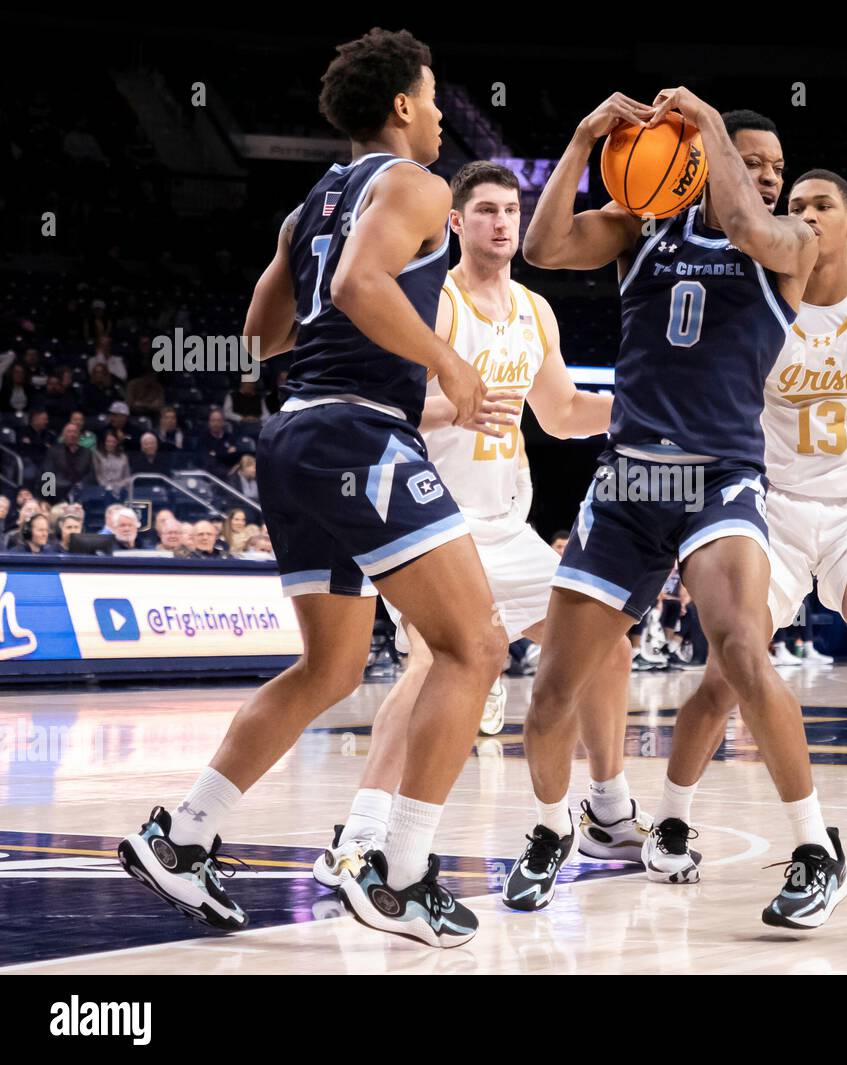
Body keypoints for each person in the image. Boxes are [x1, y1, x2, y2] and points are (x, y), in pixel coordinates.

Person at [117, 28, 504, 949]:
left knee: (332, 666)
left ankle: (184, 834)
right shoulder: (418, 187)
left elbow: (261, 330)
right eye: (435, 91)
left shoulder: (310, 205)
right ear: (403, 105)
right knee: (474, 646)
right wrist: (446, 361)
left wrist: (347, 317)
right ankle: (400, 873)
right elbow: (367, 282)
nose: (444, 109)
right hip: (355, 431)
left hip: (290, 435)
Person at [516, 92, 847, 928]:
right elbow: (543, 244)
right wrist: (587, 135)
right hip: (628, 480)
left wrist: (705, 121)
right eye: (756, 160)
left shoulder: (791, 245)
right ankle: (556, 829)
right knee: (553, 691)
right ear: (702, 160)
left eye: (779, 165)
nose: (772, 176)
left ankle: (815, 849)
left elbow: (743, 222)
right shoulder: (644, 226)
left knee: (741, 646)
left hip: (721, 476)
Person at [313, 160, 642, 890]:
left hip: (503, 522)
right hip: (428, 520)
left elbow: (559, 414)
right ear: (456, 223)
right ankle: (359, 836)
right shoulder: (432, 301)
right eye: (486, 210)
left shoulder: (535, 310)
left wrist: (641, 409)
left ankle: (609, 808)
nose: (502, 222)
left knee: (606, 638)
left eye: (511, 211)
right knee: (432, 664)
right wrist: (455, 403)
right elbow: (383, 406)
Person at [645, 167, 847, 895]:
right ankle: (670, 818)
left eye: (822, 204)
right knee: (727, 667)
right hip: (772, 509)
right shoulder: (756, 308)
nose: (807, 214)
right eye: (794, 206)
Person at [42, 422, 93, 499]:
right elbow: (48, 473)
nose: (72, 435)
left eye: (75, 432)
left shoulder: (87, 452)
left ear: (79, 435)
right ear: (63, 435)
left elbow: (91, 474)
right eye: (69, 432)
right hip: (58, 491)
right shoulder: (53, 451)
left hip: (81, 491)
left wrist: (82, 485)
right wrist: (48, 497)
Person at [198, 409, 238, 474]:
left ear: (223, 422)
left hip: (229, 473)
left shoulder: (230, 437)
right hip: (210, 474)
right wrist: (225, 453)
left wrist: (215, 454)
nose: (216, 423)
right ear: (209, 422)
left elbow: (233, 458)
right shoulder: (203, 438)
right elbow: (206, 459)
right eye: (213, 420)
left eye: (218, 420)